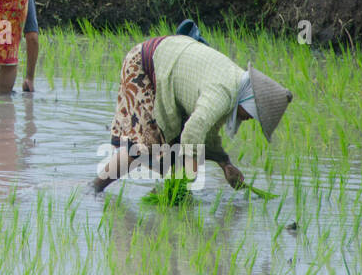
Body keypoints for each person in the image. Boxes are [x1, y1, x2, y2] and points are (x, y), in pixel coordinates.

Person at [91, 34, 293, 193]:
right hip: (145, 63)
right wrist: (191, 166)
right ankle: (96, 187)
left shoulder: (234, 89)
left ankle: (166, 195)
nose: (249, 119)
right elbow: (194, 130)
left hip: (171, 57)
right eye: (252, 114)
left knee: (174, 154)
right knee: (145, 146)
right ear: (248, 102)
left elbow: (207, 130)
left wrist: (225, 164)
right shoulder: (222, 93)